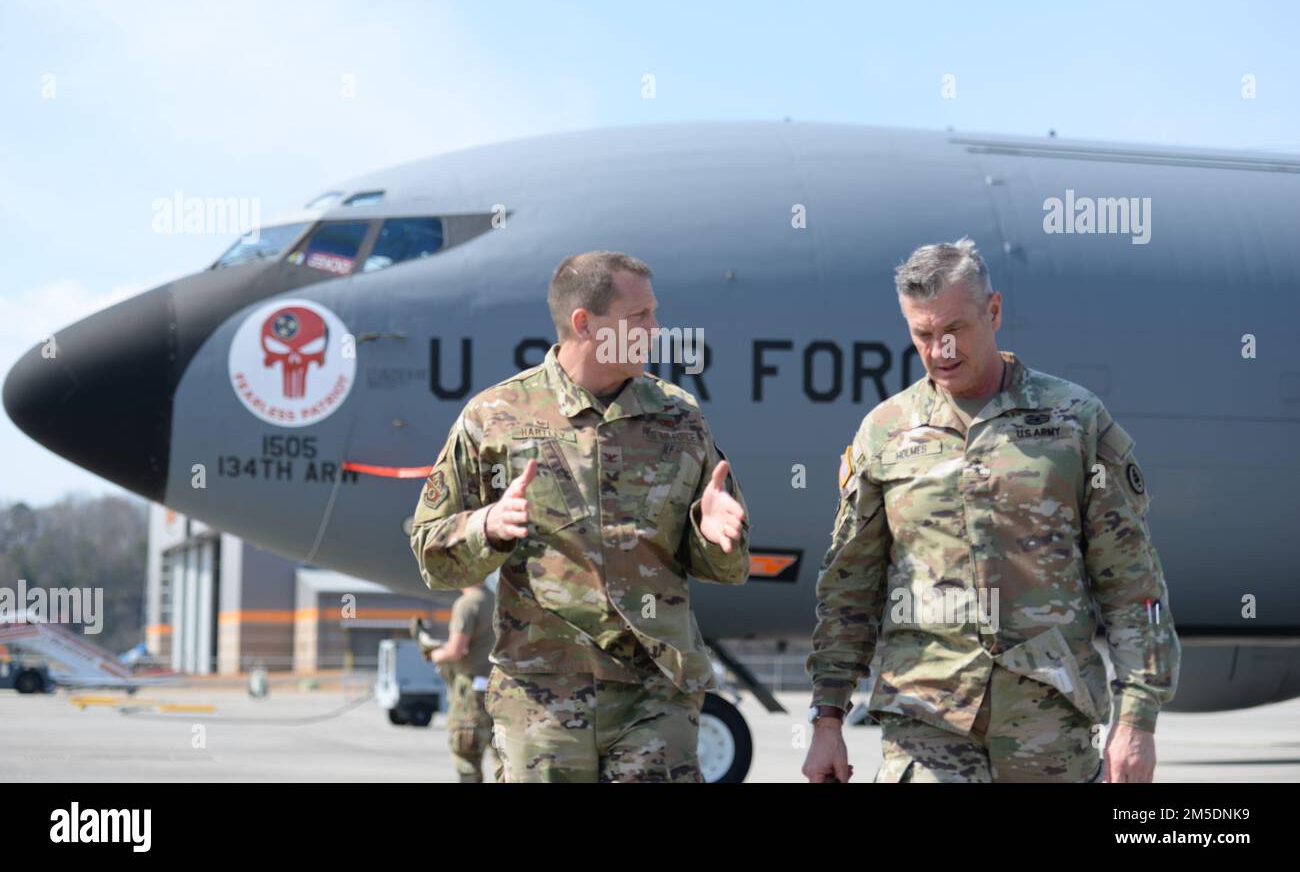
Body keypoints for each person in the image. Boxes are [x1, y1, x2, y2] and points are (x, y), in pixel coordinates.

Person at [803, 237, 1180, 783]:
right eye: (923, 335)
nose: (941, 351)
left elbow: (1130, 582)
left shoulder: (1072, 420)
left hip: (1048, 720)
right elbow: (848, 591)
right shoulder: (886, 431)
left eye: (955, 329)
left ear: (994, 311)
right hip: (924, 719)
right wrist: (827, 718)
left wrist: (1137, 720)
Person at [409, 250, 749, 782]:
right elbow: (432, 555)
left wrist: (714, 537)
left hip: (655, 692)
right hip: (542, 697)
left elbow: (726, 567)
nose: (656, 330)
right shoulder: (494, 418)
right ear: (585, 323)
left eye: (654, 314)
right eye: (640, 318)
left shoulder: (679, 417)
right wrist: (487, 528)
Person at [412, 583, 499, 782]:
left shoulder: (468, 604)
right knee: (504, 760)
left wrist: (434, 654)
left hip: (471, 692)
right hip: (501, 688)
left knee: (467, 761)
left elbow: (455, 651)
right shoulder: (498, 599)